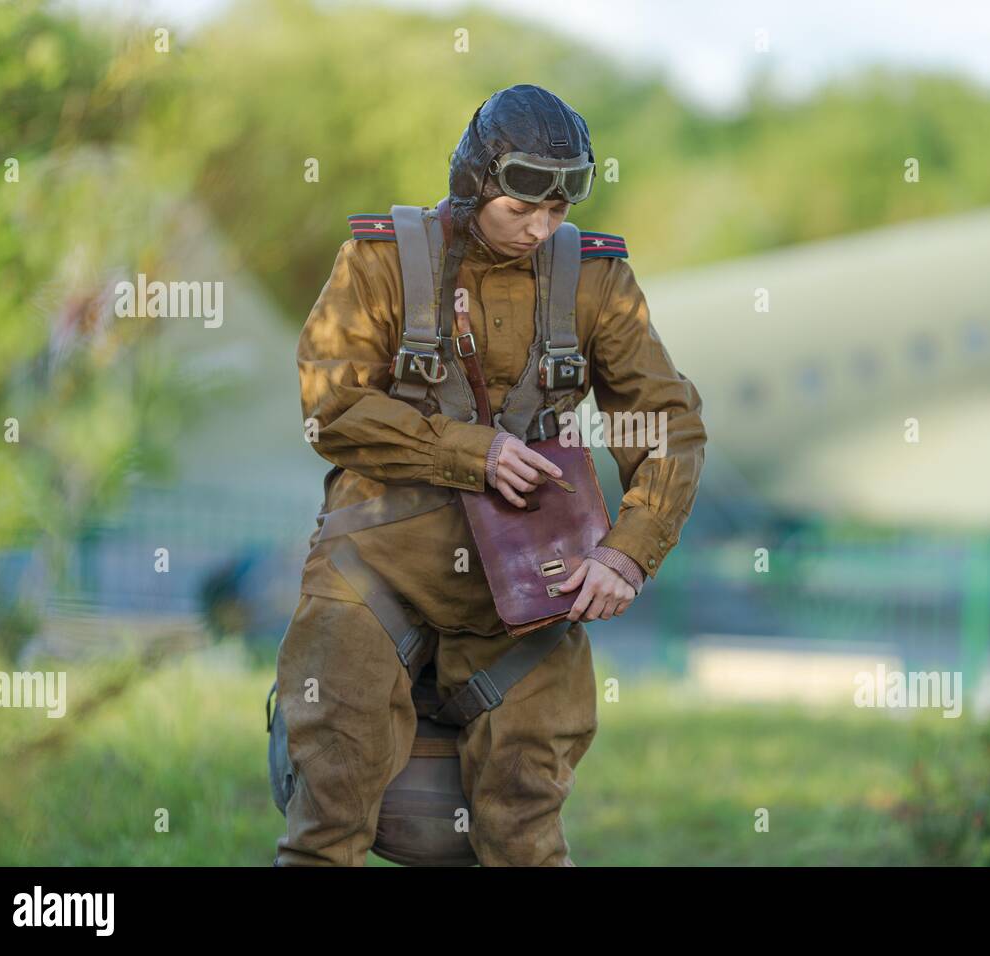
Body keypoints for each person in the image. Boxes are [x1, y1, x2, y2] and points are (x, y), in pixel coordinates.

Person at [273, 84, 706, 866]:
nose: (539, 229)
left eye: (557, 213)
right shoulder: (380, 262)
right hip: (377, 563)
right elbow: (329, 405)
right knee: (328, 808)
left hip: (532, 592)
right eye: (521, 209)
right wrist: (474, 451)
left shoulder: (597, 278)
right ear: (475, 184)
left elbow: (664, 422)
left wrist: (628, 551)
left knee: (525, 827)